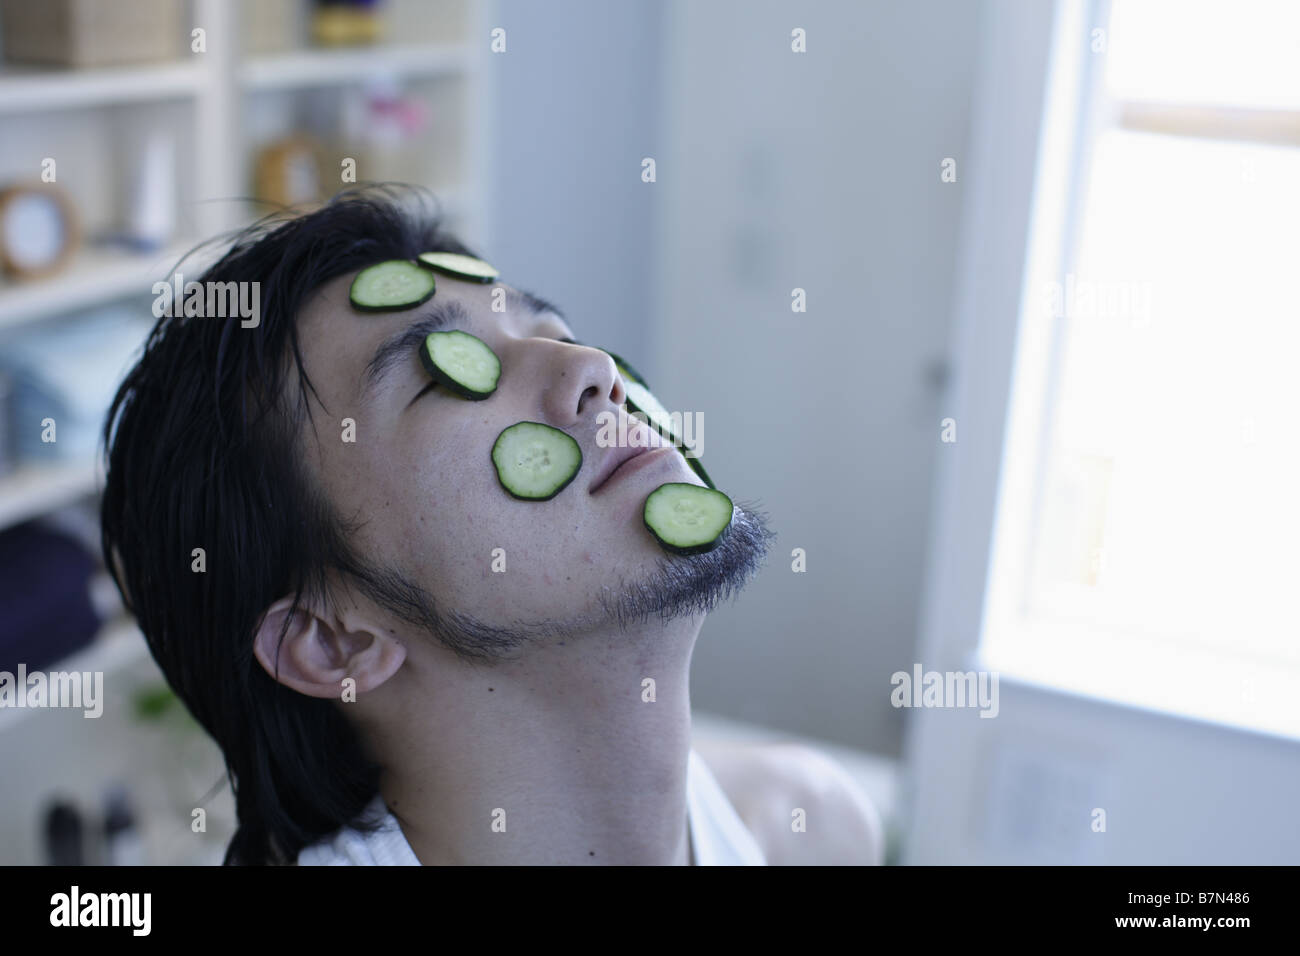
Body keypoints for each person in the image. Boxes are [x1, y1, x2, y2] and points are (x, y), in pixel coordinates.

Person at [100, 185, 883, 865]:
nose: (593, 371)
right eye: (447, 377)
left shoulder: (813, 827)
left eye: (551, 326)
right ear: (335, 642)